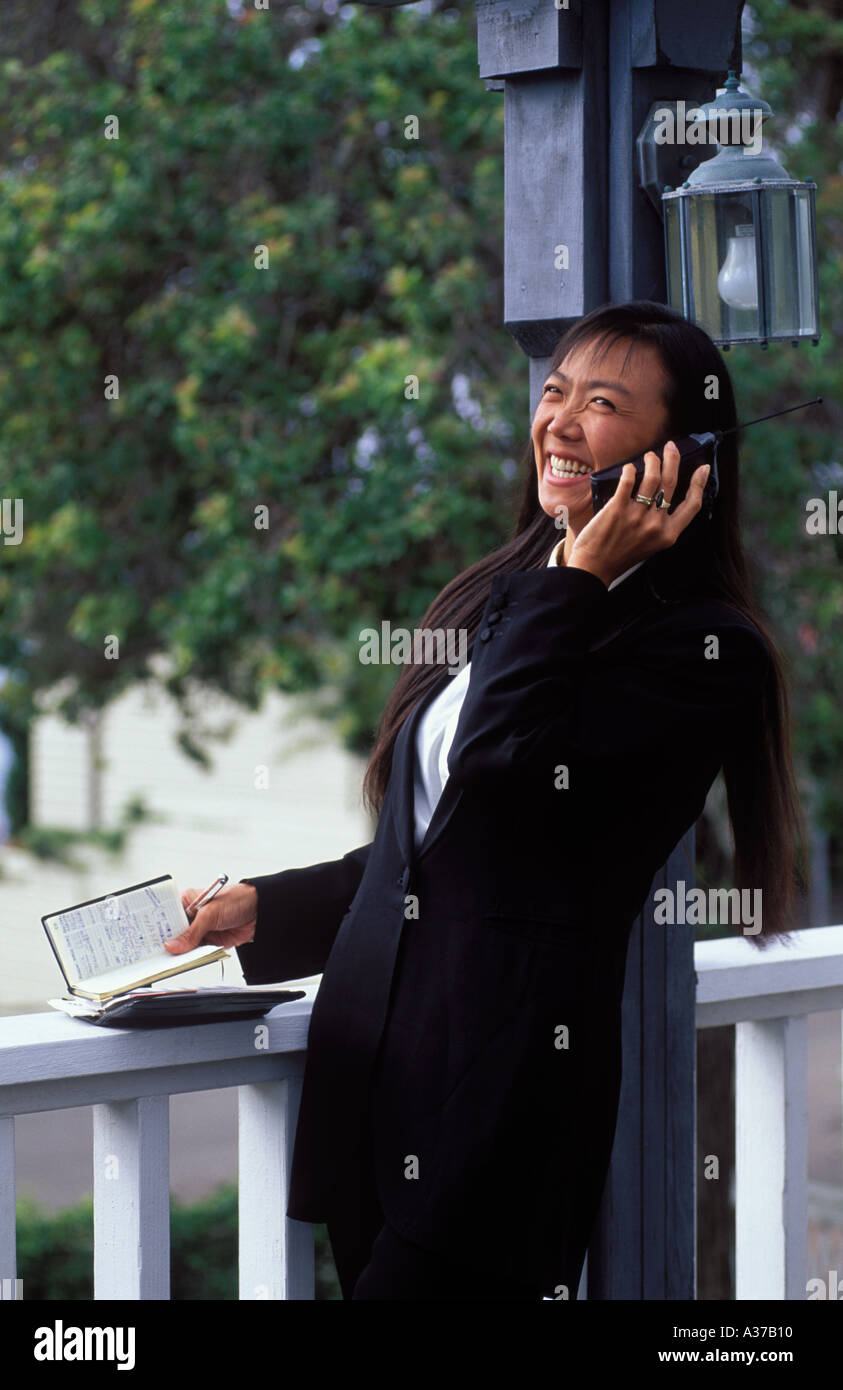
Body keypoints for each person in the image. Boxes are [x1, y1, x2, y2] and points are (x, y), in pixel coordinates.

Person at [165, 300, 807, 1300]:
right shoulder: (506, 591)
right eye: (552, 392)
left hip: (498, 1115)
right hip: (372, 1087)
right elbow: (438, 853)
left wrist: (584, 574)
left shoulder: (699, 651)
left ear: (683, 455)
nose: (558, 421)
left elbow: (510, 772)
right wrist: (267, 911)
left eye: (602, 403)